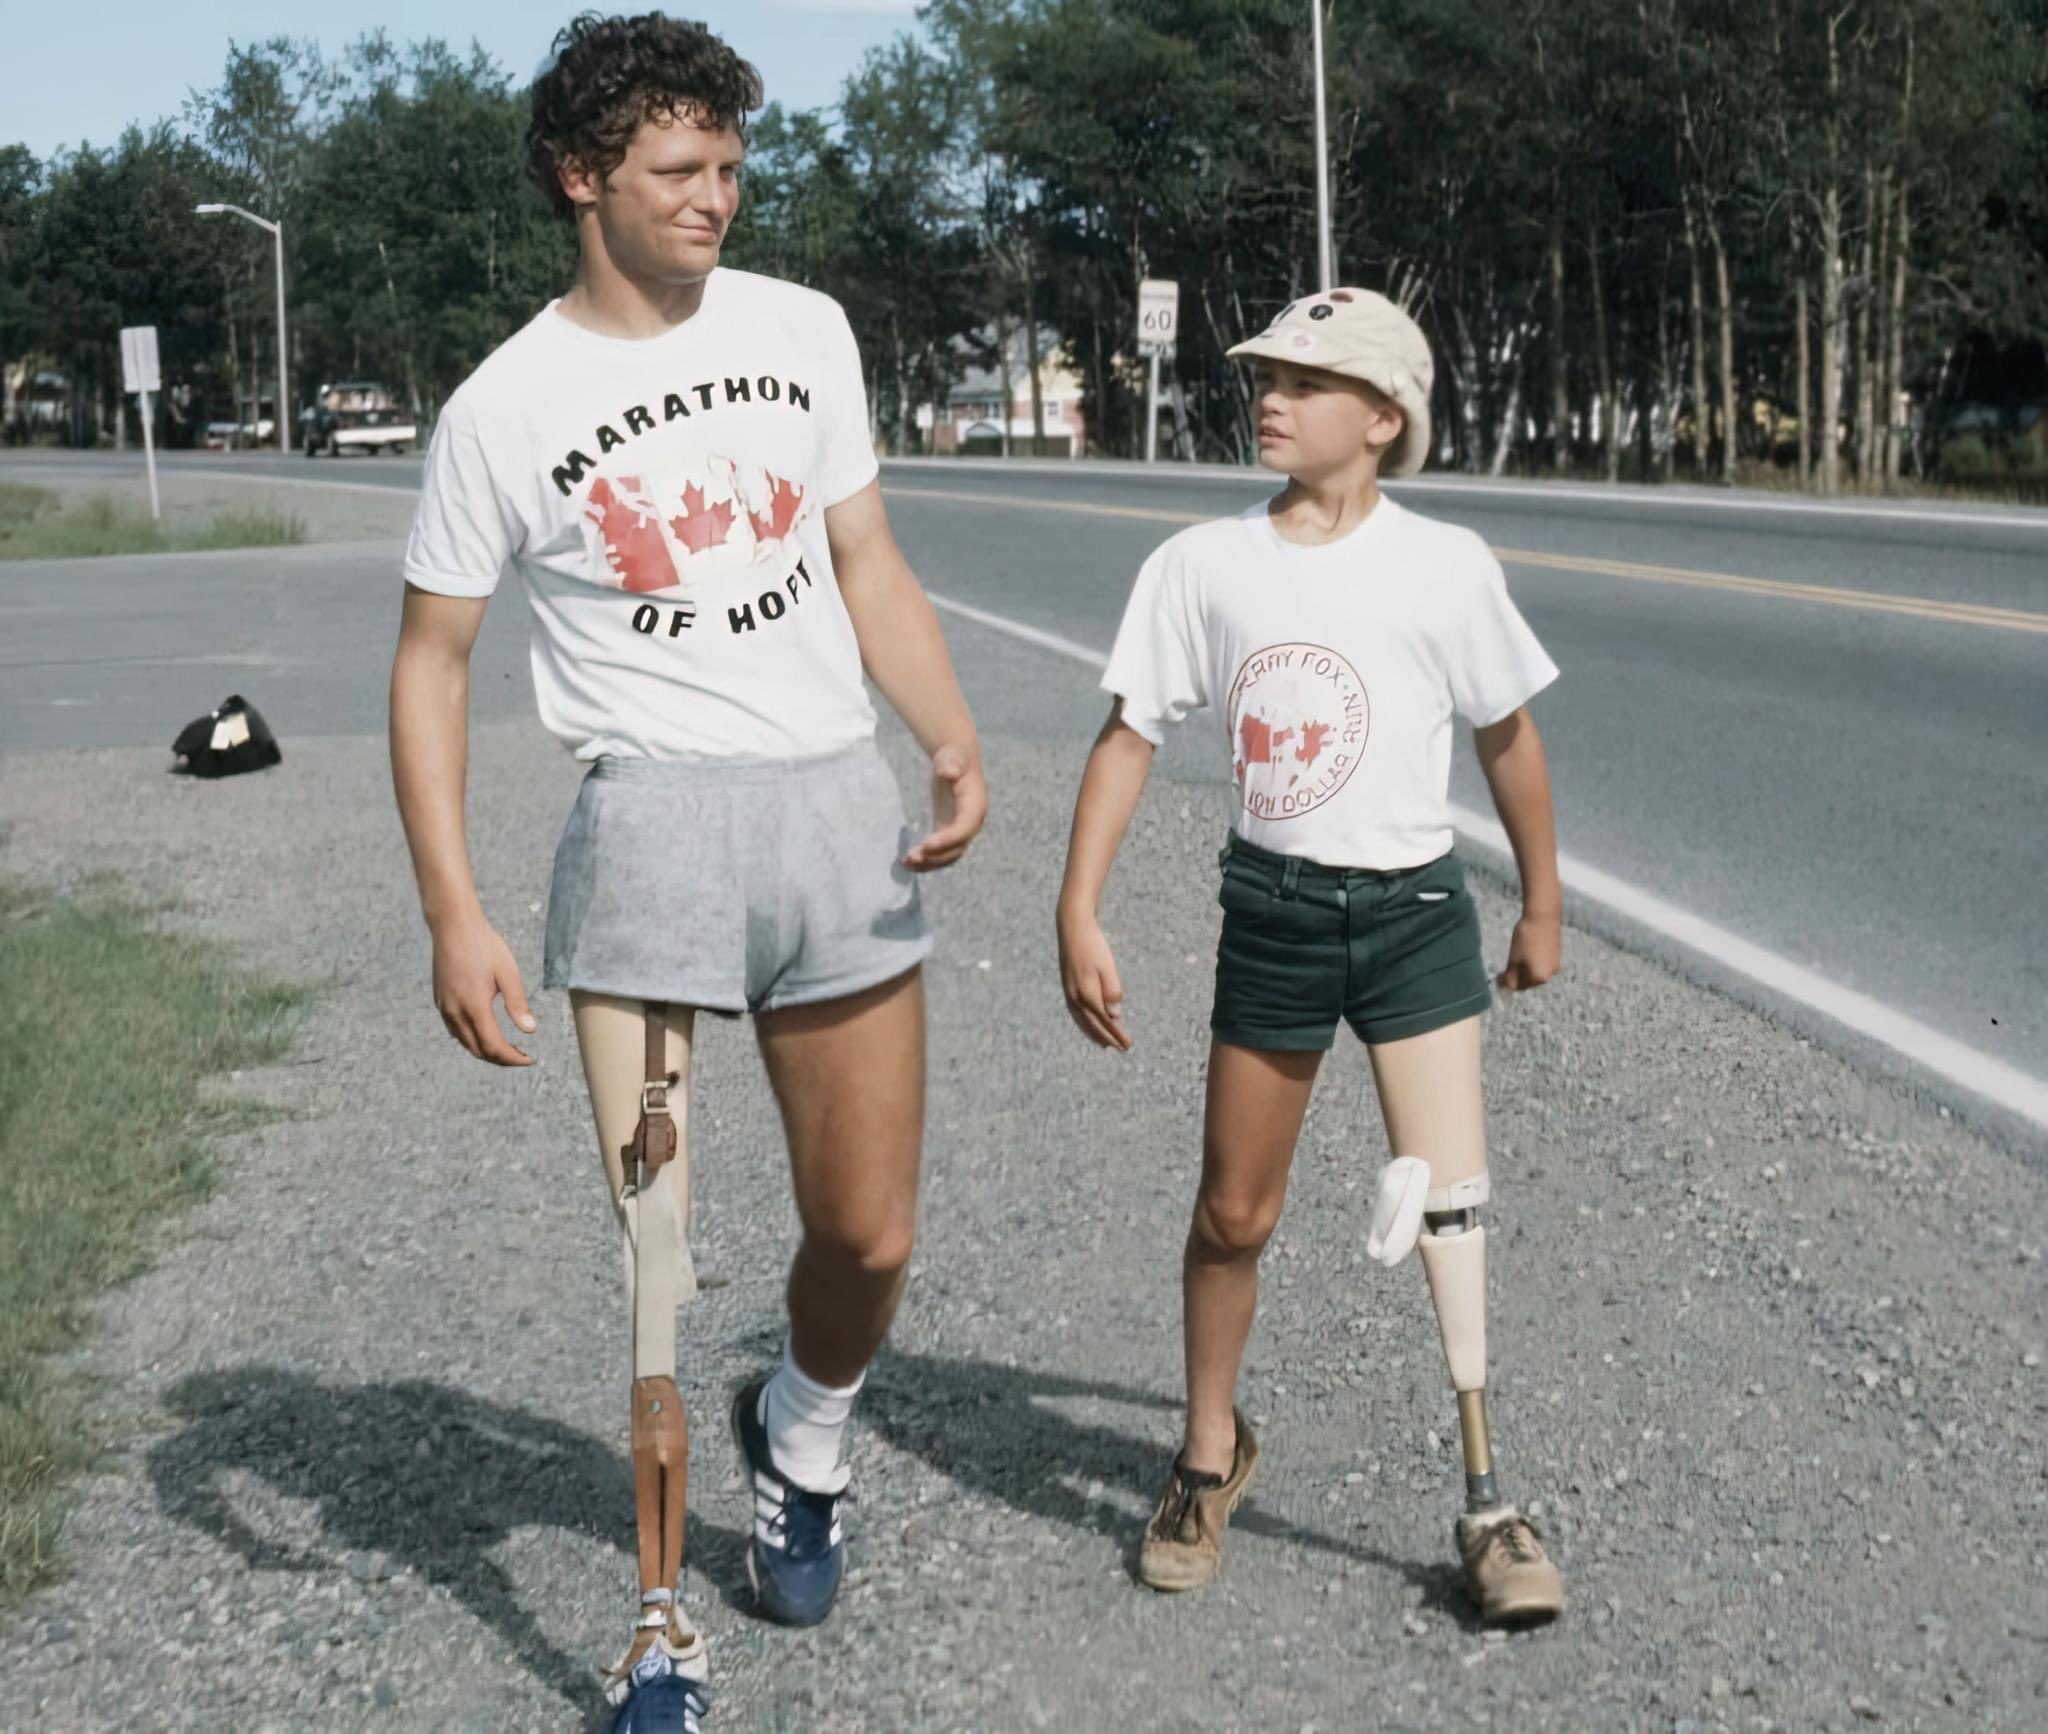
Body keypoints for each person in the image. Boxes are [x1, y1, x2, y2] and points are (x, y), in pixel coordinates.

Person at [387, 13, 985, 1723]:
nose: (716, 197)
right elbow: (429, 664)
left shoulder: (804, 331)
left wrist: (941, 730)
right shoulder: (505, 406)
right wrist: (455, 905)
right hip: (647, 832)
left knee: (868, 1233)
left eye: (729, 165)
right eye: (677, 170)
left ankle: (801, 1431)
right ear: (581, 178)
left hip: (828, 810)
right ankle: (660, 1621)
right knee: (660, 1259)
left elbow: (861, 551)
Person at [1055, 287, 1566, 1625]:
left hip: (1412, 918)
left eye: (1306, 380)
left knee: (1452, 1208)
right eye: (1265, 374)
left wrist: (1543, 903)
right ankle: (1208, 1453)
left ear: (1383, 417)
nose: (1269, 395)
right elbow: (1128, 735)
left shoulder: (1446, 563)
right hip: (1275, 914)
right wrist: (1078, 906)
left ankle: (1489, 1498)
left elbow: (1509, 736)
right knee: (1235, 1211)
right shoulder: (1201, 566)